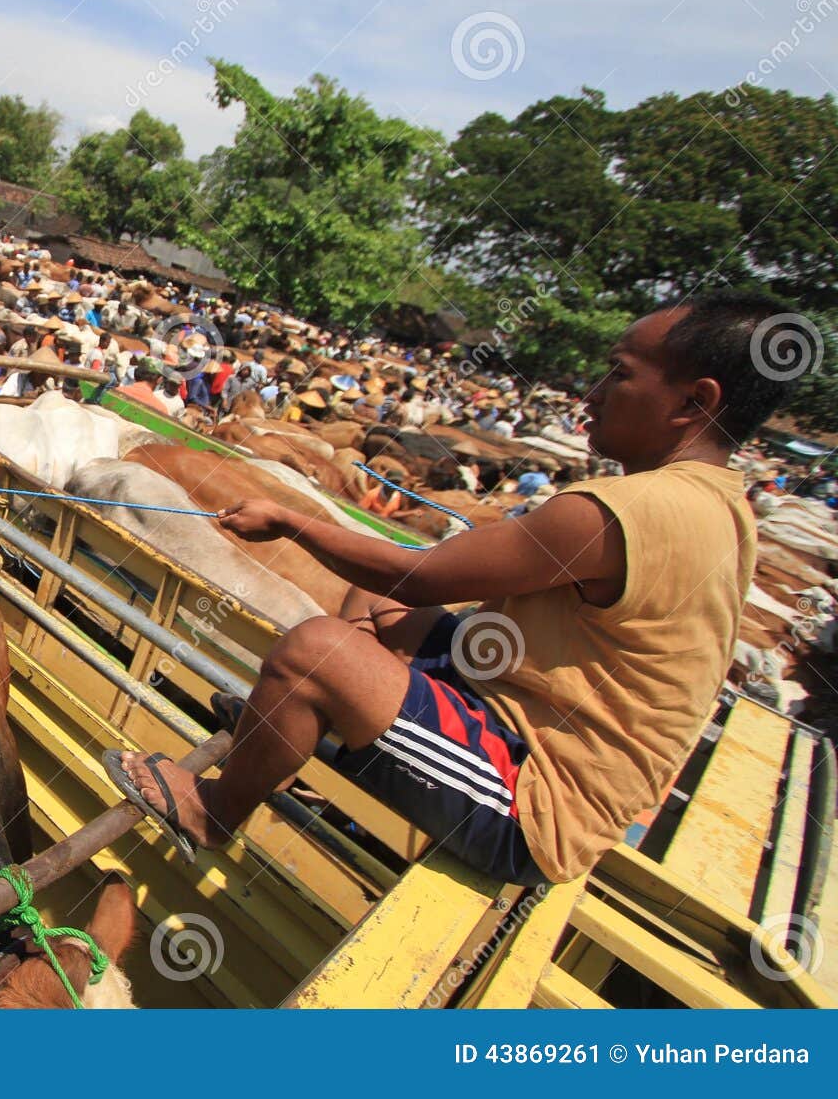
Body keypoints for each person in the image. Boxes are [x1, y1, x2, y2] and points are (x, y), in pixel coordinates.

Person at [106, 291, 783, 886]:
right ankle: (321, 727)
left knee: (314, 651)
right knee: (374, 609)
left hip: (538, 792)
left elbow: (418, 573)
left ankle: (215, 810)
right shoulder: (716, 501)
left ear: (695, 401)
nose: (595, 391)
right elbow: (404, 588)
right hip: (516, 699)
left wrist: (290, 518)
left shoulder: (629, 510)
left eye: (620, 372)